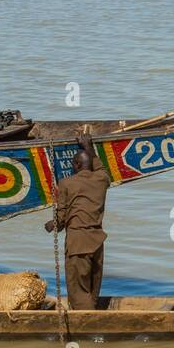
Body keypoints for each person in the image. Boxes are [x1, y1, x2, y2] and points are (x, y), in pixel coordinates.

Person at [45, 131, 110, 310]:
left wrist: (52, 225)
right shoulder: (102, 179)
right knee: (92, 291)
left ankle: (87, 330)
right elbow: (101, 168)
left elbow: (62, 218)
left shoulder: (66, 183)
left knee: (79, 292)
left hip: (78, 244)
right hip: (97, 242)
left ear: (76, 164)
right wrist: (88, 146)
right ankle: (95, 319)